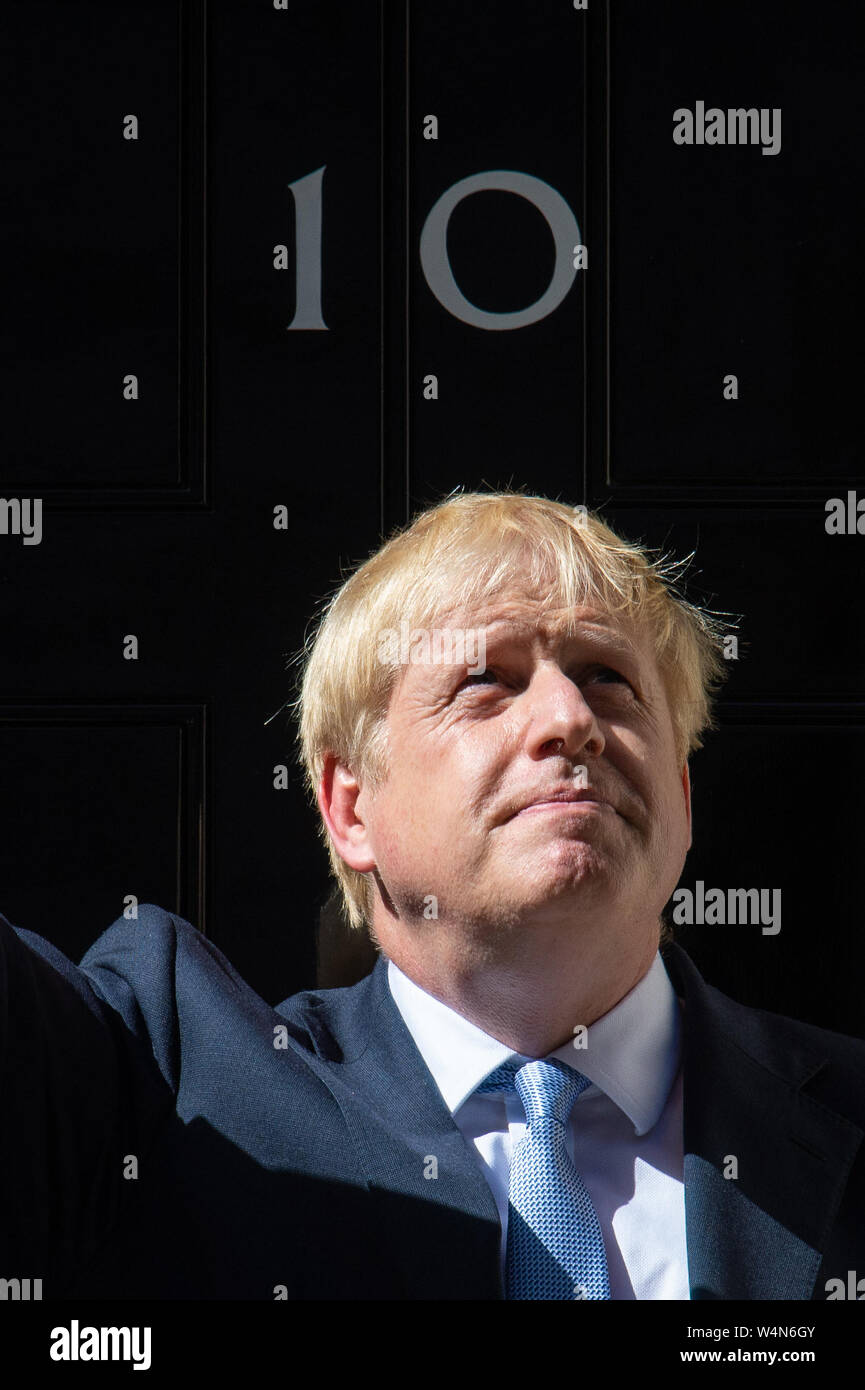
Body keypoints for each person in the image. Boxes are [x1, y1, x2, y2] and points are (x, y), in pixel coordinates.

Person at [2, 491, 863, 1300]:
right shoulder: (164, 1075)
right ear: (351, 807)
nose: (571, 718)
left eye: (608, 677)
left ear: (680, 793)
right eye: (485, 679)